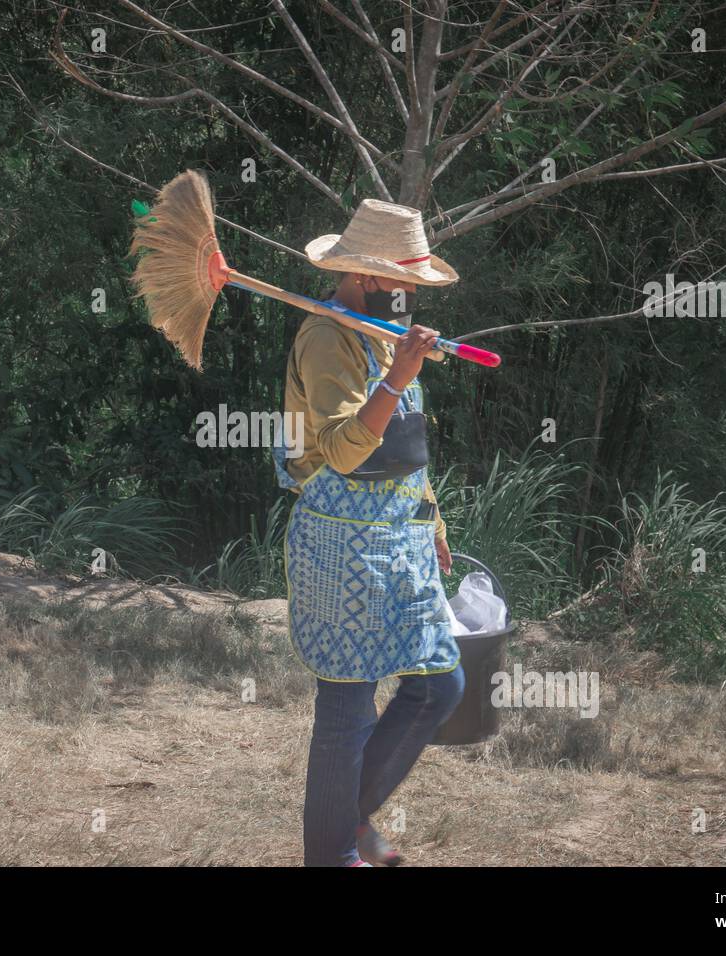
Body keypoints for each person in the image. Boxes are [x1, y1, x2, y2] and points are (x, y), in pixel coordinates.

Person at [273, 198, 466, 867]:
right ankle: (333, 853)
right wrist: (399, 376)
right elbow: (345, 451)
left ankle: (345, 824)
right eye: (403, 282)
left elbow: (407, 443)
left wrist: (433, 520)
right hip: (338, 542)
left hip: (397, 537)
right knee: (347, 712)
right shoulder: (327, 338)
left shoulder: (381, 331)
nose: (410, 293)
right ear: (365, 277)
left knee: (439, 685)